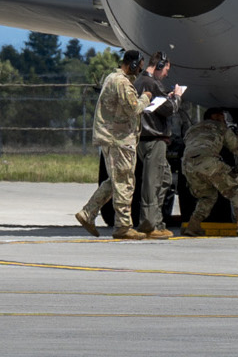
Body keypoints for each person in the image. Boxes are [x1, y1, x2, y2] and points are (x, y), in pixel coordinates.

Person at [78, 49, 150, 240]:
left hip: (113, 138)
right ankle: (123, 226)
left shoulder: (112, 78)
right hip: (119, 139)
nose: (139, 71)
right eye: (139, 67)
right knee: (125, 182)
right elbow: (134, 108)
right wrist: (146, 97)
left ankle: (88, 213)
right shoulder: (121, 82)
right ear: (133, 64)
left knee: (114, 181)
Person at [180, 108, 238, 236]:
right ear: (215, 117)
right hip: (208, 162)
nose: (224, 120)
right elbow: (237, 150)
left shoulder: (192, 129)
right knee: (236, 188)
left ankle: (193, 225)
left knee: (208, 196)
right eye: (222, 117)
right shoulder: (221, 127)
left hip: (187, 166)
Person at [133, 54, 182, 239]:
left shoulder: (140, 82)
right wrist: (176, 97)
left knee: (165, 179)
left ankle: (157, 220)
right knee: (152, 182)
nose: (166, 75)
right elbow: (169, 109)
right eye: (166, 70)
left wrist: (166, 98)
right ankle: (148, 224)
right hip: (154, 139)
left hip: (144, 138)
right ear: (160, 66)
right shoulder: (153, 84)